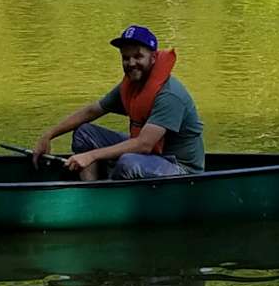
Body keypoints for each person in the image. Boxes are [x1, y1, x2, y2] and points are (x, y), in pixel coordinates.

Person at [32, 25, 205, 181]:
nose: (131, 63)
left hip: (180, 168)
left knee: (128, 162)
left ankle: (108, 200)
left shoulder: (169, 95)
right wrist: (48, 135)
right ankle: (91, 195)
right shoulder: (132, 86)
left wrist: (91, 156)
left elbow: (144, 144)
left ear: (153, 58)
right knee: (84, 133)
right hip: (150, 156)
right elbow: (92, 111)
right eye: (125, 57)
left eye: (138, 56)